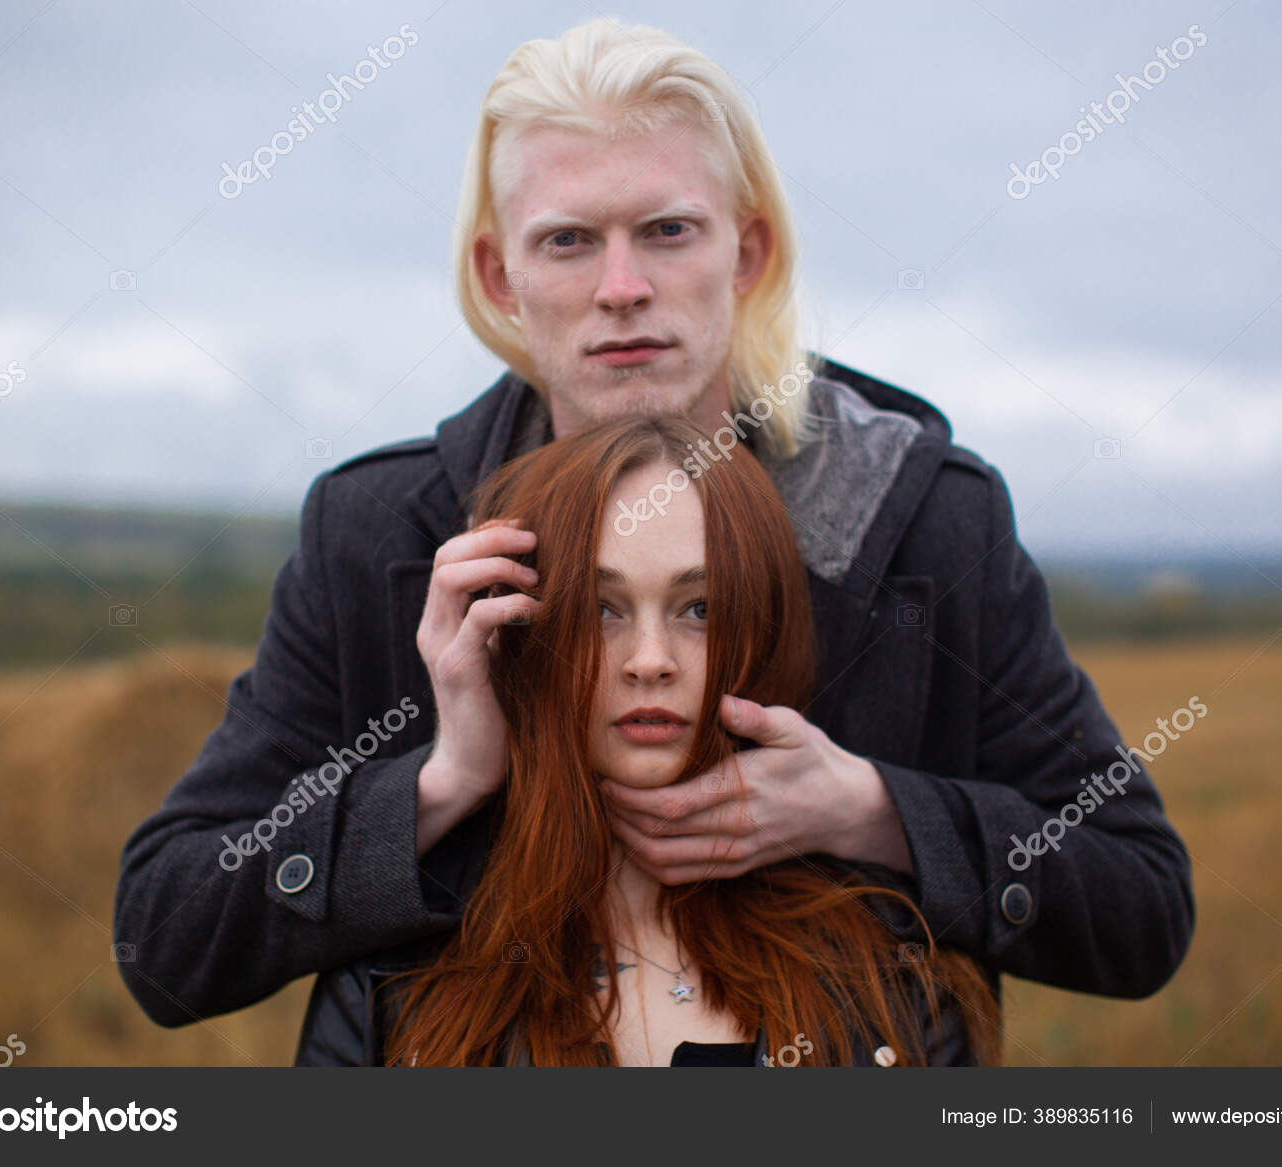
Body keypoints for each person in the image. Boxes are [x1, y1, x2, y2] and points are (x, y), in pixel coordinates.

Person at [114, 18, 1193, 1042]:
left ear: (748, 253)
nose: (621, 288)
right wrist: (437, 789)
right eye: (569, 241)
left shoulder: (928, 521)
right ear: (500, 276)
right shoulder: (378, 533)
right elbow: (164, 942)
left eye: (668, 231)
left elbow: (1139, 905)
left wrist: (868, 812)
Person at [296, 414, 1001, 1066]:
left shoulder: (893, 982)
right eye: (601, 609)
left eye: (699, 607)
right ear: (518, 637)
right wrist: (453, 773)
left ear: (762, 630)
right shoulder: (392, 983)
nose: (651, 658)